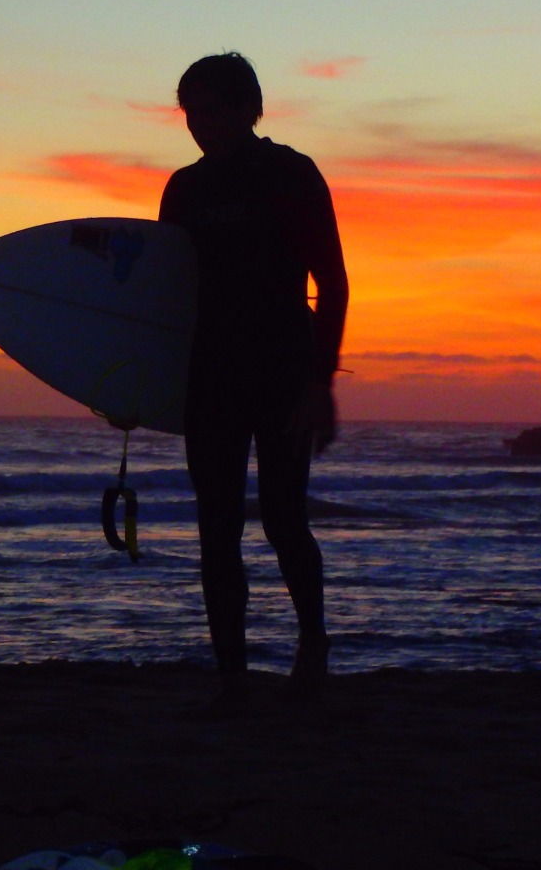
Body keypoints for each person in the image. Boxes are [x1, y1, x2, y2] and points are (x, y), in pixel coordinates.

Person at [158, 52, 348, 712]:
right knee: (216, 527)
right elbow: (166, 298)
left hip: (281, 370)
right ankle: (230, 671)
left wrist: (319, 383)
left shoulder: (290, 174)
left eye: (213, 110)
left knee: (283, 519)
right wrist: (137, 387)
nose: (201, 125)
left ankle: (312, 646)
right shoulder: (182, 189)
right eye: (191, 113)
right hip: (209, 374)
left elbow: (333, 283)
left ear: (248, 108)